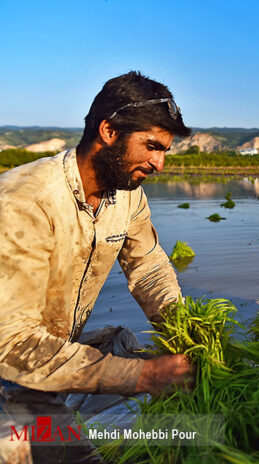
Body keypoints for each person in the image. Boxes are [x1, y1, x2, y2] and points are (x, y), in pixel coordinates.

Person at [0, 71, 193, 463]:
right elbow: (13, 344)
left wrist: (185, 330)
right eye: (151, 146)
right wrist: (142, 377)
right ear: (108, 131)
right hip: (10, 367)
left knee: (119, 342)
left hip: (51, 352)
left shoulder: (126, 197)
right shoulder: (26, 202)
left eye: (165, 151)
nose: (159, 163)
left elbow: (149, 268)